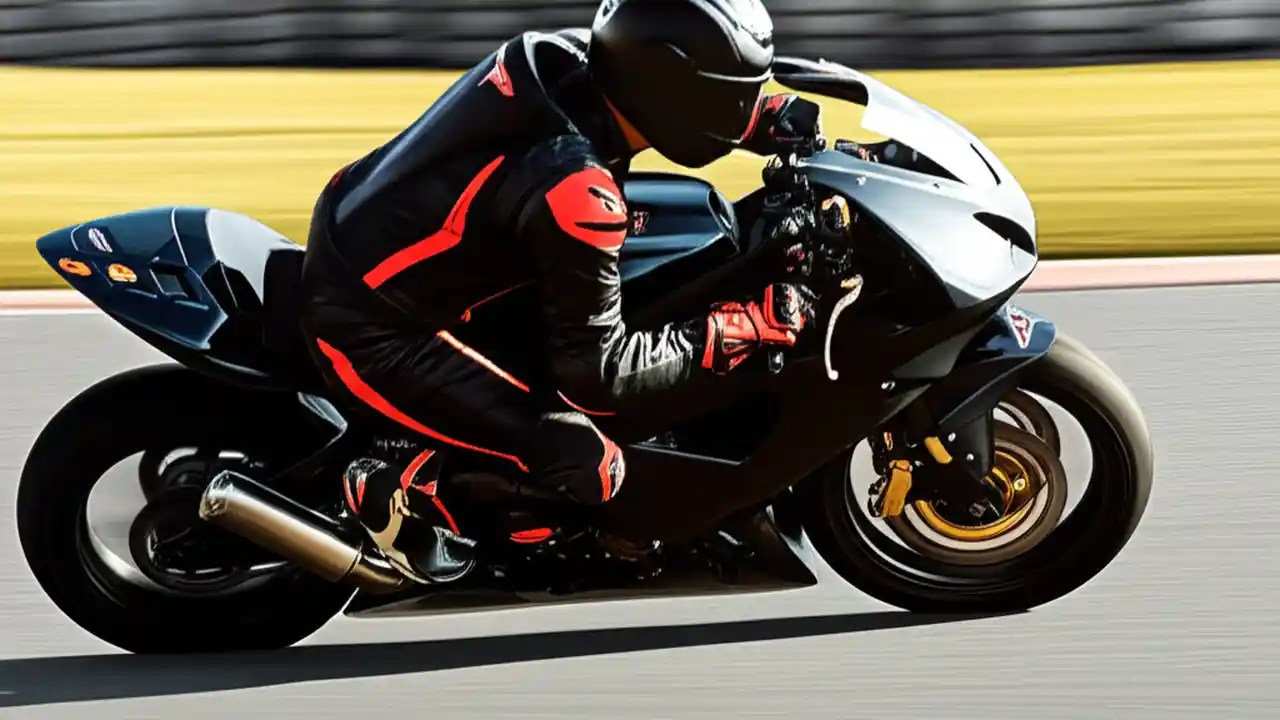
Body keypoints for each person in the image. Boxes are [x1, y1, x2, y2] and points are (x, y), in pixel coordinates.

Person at [299, 0, 825, 584]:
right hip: (374, 325)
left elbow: (664, 95)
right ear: (672, 85)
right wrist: (737, 328)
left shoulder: (572, 58)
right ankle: (404, 485)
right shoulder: (576, 190)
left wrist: (769, 118)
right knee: (588, 463)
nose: (743, 108)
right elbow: (600, 374)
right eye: (732, 95)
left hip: (378, 233)